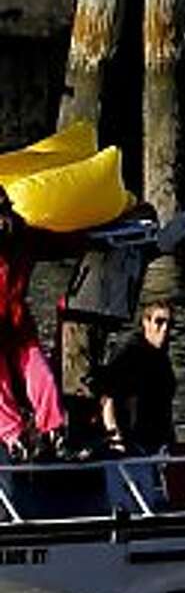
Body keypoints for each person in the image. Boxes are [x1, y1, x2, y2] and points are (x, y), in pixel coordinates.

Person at [0, 189, 62, 458]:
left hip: (18, 327)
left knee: (42, 374)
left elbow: (57, 242)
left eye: (4, 212)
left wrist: (90, 240)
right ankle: (13, 436)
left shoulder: (23, 238)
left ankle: (54, 429)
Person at [93, 297, 179, 456]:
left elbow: (166, 405)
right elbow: (108, 398)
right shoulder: (129, 351)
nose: (165, 329)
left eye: (170, 324)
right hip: (132, 442)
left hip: (159, 441)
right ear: (146, 322)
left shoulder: (162, 358)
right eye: (159, 322)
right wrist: (117, 441)